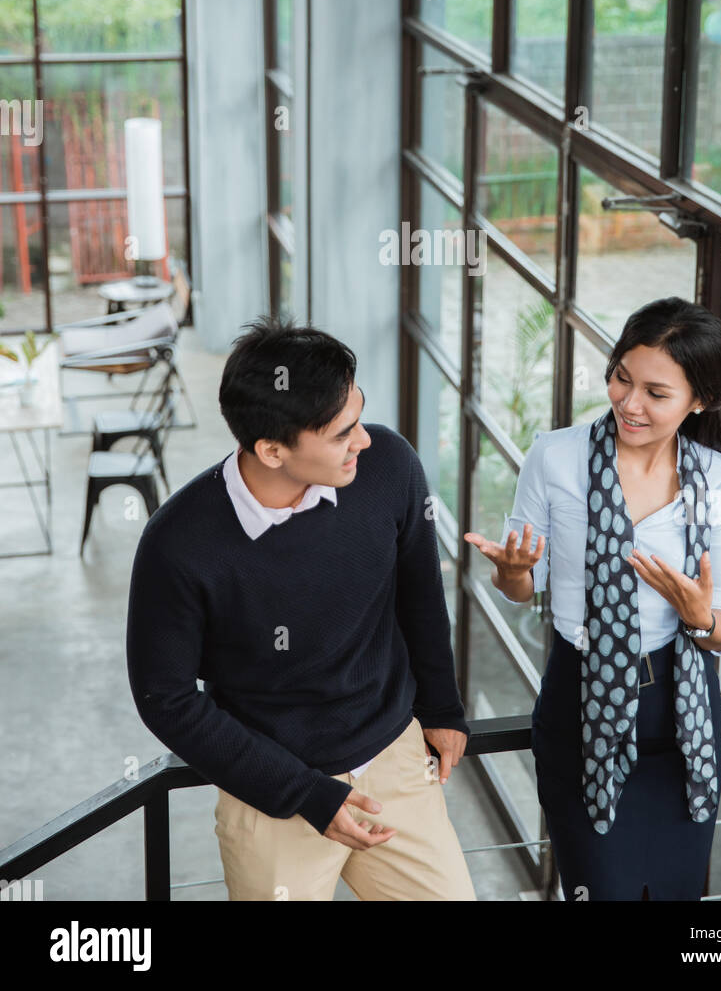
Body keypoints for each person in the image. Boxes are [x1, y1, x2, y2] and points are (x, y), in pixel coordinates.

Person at [127, 315, 476, 902]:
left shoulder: (388, 465)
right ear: (270, 449)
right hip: (274, 794)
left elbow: (420, 592)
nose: (364, 439)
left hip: (394, 761)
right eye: (343, 433)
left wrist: (442, 705)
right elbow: (167, 698)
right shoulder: (177, 544)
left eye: (359, 417)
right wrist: (306, 795)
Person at [465, 297, 721, 901]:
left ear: (698, 400)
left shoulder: (717, 479)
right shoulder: (556, 456)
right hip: (579, 700)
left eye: (656, 392)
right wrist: (513, 572)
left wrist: (699, 618)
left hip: (682, 709)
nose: (629, 403)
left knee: (677, 895)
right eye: (621, 378)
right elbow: (522, 589)